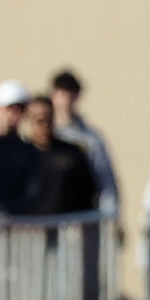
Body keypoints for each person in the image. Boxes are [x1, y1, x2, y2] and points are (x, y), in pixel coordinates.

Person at [49, 70, 116, 214]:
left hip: (80, 216)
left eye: (70, 94)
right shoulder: (43, 136)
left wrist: (110, 216)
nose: (65, 100)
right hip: (48, 219)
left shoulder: (91, 140)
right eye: (61, 94)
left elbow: (105, 181)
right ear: (52, 95)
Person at [22, 96, 98, 216]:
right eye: (38, 120)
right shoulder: (21, 155)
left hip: (65, 228)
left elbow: (87, 193)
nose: (44, 125)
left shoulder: (73, 153)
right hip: (30, 230)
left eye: (48, 118)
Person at [0, 80, 41, 216]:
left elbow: (31, 193)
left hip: (16, 226)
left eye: (20, 109)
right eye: (9, 108)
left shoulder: (29, 151)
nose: (15, 114)